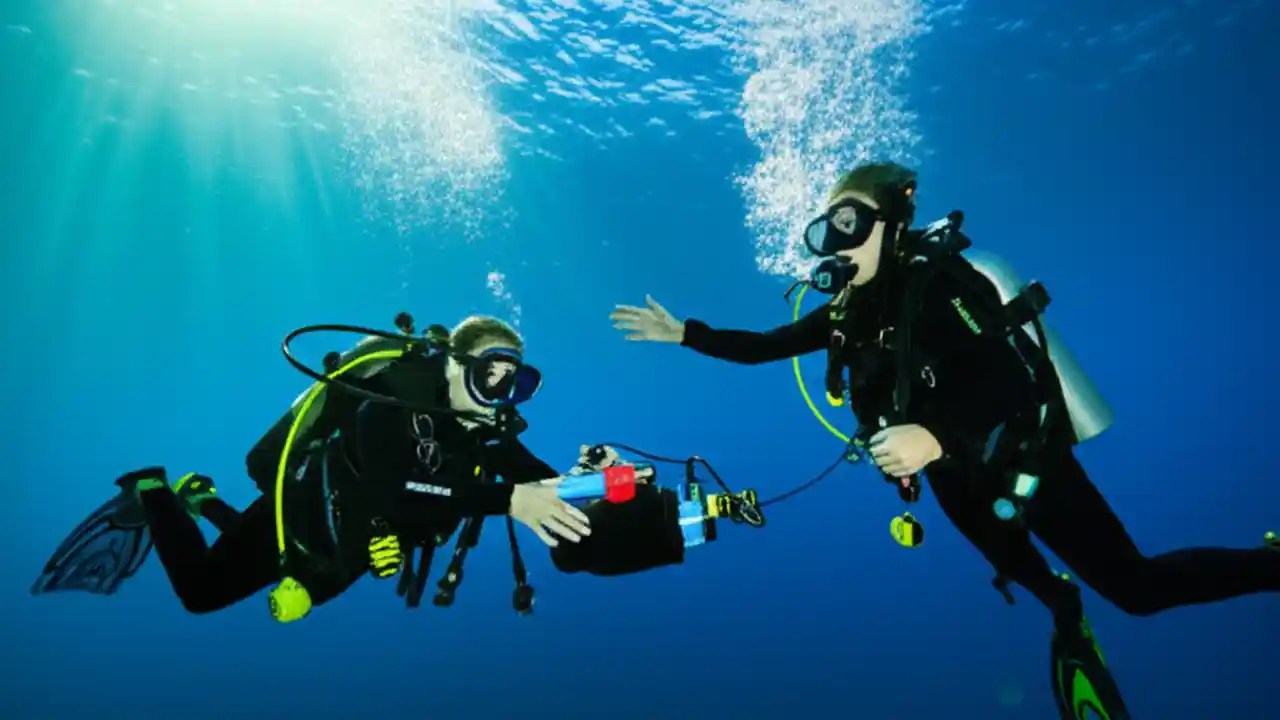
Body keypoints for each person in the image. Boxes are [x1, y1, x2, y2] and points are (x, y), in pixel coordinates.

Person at [610, 161, 1280, 719]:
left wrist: (932, 435)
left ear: (892, 225)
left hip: (1026, 463)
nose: (835, 244)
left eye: (849, 224)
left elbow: (1008, 385)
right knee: (1029, 575)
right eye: (825, 230)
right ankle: (1064, 609)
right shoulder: (847, 311)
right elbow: (764, 346)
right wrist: (685, 334)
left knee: (1136, 590)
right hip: (958, 486)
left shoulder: (932, 288)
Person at [33, 314, 691, 621]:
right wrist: (506, 503)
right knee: (203, 595)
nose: (500, 397)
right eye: (490, 376)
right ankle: (154, 489)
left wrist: (594, 471)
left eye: (515, 385)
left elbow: (532, 479)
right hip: (308, 509)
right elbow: (390, 484)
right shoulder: (391, 402)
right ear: (454, 364)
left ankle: (203, 498)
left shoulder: (481, 429)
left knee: (299, 571)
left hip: (346, 547)